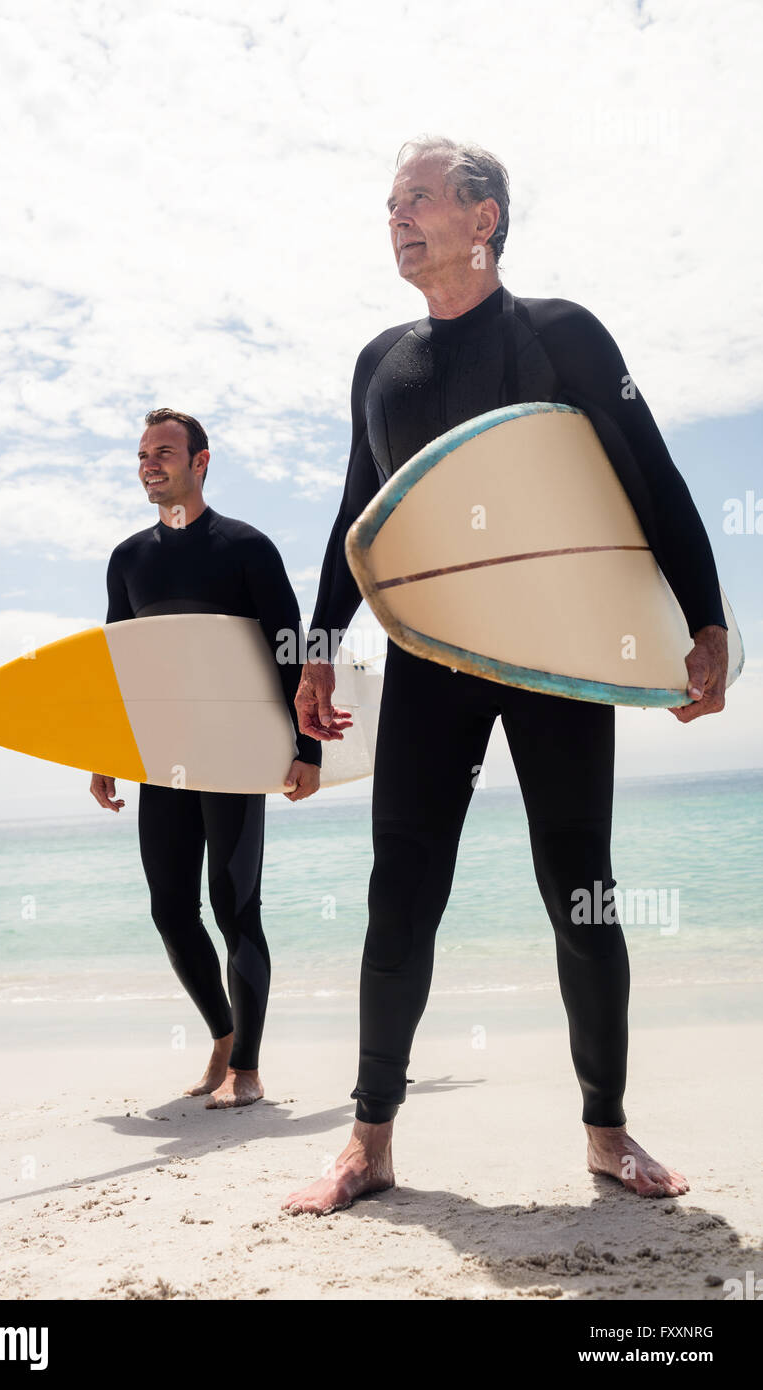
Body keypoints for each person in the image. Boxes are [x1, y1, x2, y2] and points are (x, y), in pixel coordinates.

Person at [284, 136, 728, 1212]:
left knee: (580, 888)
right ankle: (368, 1139)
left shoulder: (560, 335)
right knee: (403, 886)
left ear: (482, 216)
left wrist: (703, 620)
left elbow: (651, 472)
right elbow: (358, 517)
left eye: (419, 198)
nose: (395, 216)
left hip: (554, 651)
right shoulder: (376, 363)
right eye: (389, 203)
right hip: (432, 656)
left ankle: (605, 1133)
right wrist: (314, 648)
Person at [91, 408, 321, 1108]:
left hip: (232, 754)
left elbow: (290, 650)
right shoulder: (128, 560)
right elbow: (120, 666)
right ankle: (223, 1035)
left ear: (201, 461)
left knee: (236, 908)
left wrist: (306, 747)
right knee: (170, 909)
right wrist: (102, 751)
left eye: (163, 452)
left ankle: (248, 1068)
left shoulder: (245, 547)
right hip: (163, 760)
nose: (150, 465)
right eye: (141, 456)